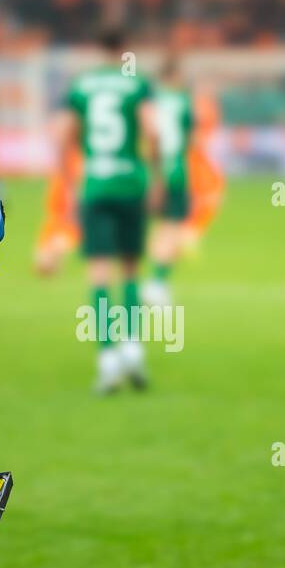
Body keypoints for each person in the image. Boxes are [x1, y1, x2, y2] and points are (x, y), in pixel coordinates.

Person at [60, 28, 160, 393]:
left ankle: (107, 359)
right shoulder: (137, 85)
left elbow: (64, 136)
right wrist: (158, 177)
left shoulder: (83, 86)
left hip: (96, 185)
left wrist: (69, 183)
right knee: (131, 267)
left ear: (99, 49)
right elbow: (154, 131)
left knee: (99, 273)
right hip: (131, 183)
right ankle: (132, 348)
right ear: (125, 50)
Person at [142, 55, 193, 309]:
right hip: (173, 171)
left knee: (157, 228)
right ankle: (157, 284)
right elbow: (187, 137)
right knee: (171, 228)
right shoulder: (182, 100)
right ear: (174, 76)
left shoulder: (149, 101)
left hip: (147, 171)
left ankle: (150, 282)